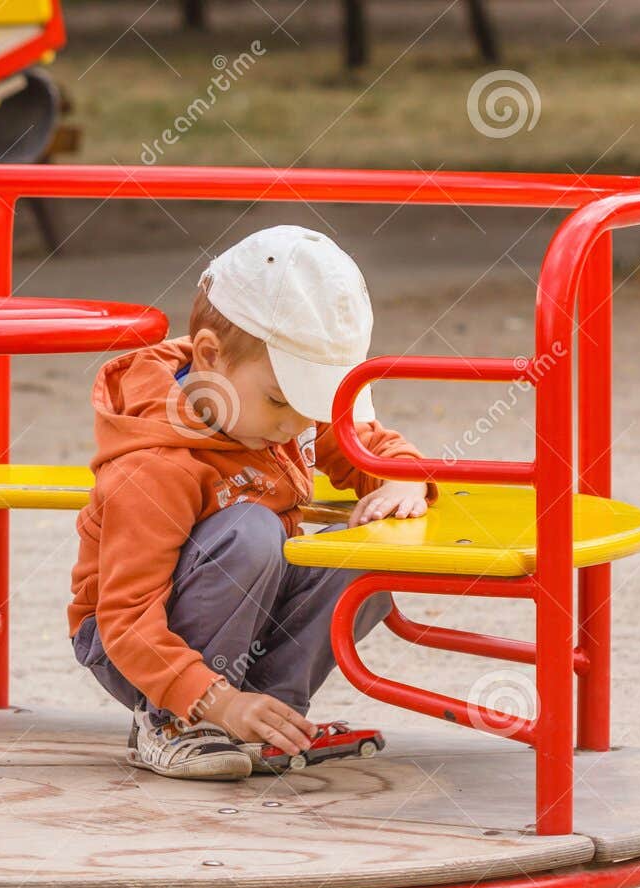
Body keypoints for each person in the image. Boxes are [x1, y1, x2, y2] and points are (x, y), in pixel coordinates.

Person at [67, 225, 434, 780]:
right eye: (283, 400)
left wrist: (400, 479)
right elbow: (125, 620)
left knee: (377, 554)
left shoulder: (275, 416)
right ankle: (175, 722)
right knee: (251, 532)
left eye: (315, 405)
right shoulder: (155, 465)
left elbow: (366, 445)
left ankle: (271, 721)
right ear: (211, 358)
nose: (298, 424)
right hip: (134, 651)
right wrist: (214, 699)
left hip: (249, 617)